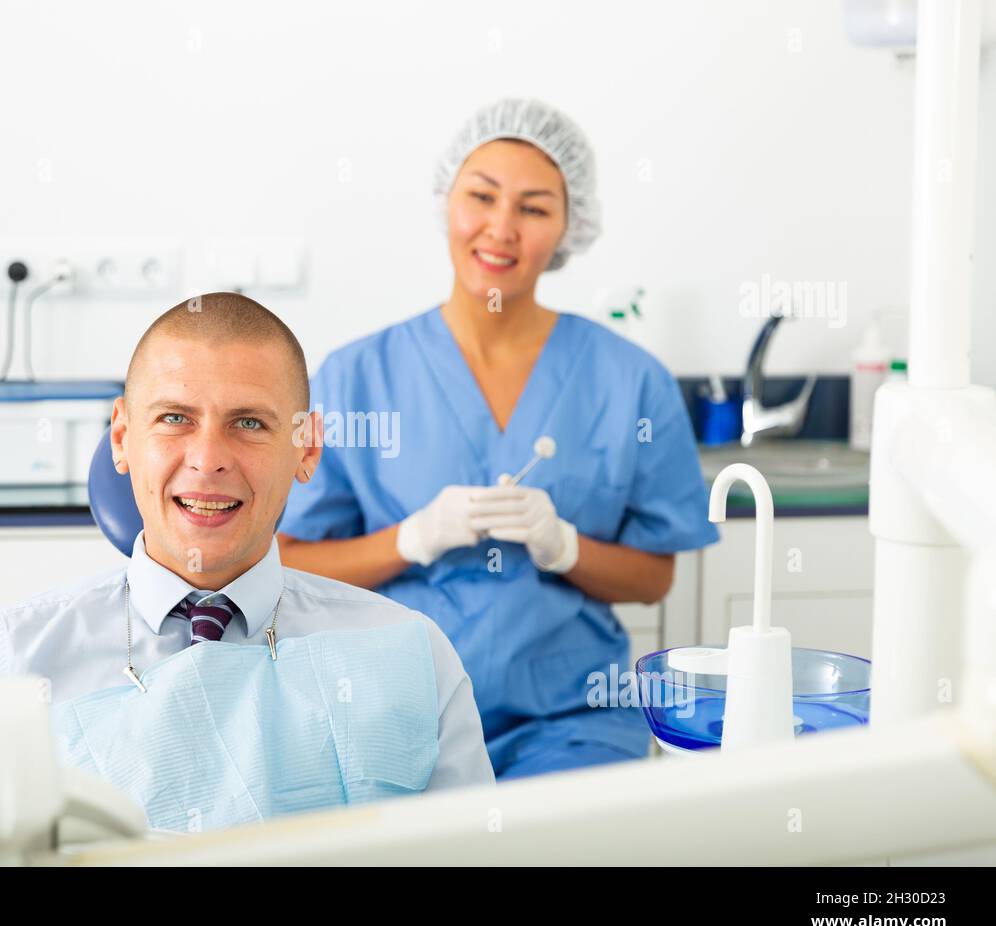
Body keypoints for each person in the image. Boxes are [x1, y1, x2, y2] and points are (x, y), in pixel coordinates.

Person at [277, 99, 718, 780]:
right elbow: (292, 562)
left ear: (570, 227)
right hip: (389, 717)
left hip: (571, 724)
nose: (501, 228)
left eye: (535, 208)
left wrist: (564, 546)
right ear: (446, 202)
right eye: (481, 196)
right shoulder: (355, 377)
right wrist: (409, 539)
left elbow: (653, 575)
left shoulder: (629, 380)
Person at [0, 292, 494, 832]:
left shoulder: (409, 656)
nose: (208, 461)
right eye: (176, 418)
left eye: (249, 422)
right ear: (123, 436)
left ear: (307, 448)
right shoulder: (8, 663)